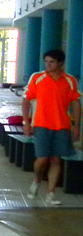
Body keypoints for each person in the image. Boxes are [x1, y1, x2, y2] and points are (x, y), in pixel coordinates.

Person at [23, 48, 82, 205]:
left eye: (52, 62)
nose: (48, 65)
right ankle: (36, 179)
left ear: (61, 63)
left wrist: (76, 127)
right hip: (41, 124)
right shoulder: (37, 78)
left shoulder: (70, 81)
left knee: (56, 160)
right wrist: (26, 123)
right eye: (46, 61)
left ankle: (50, 194)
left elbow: (76, 104)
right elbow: (26, 100)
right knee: (42, 159)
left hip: (62, 126)